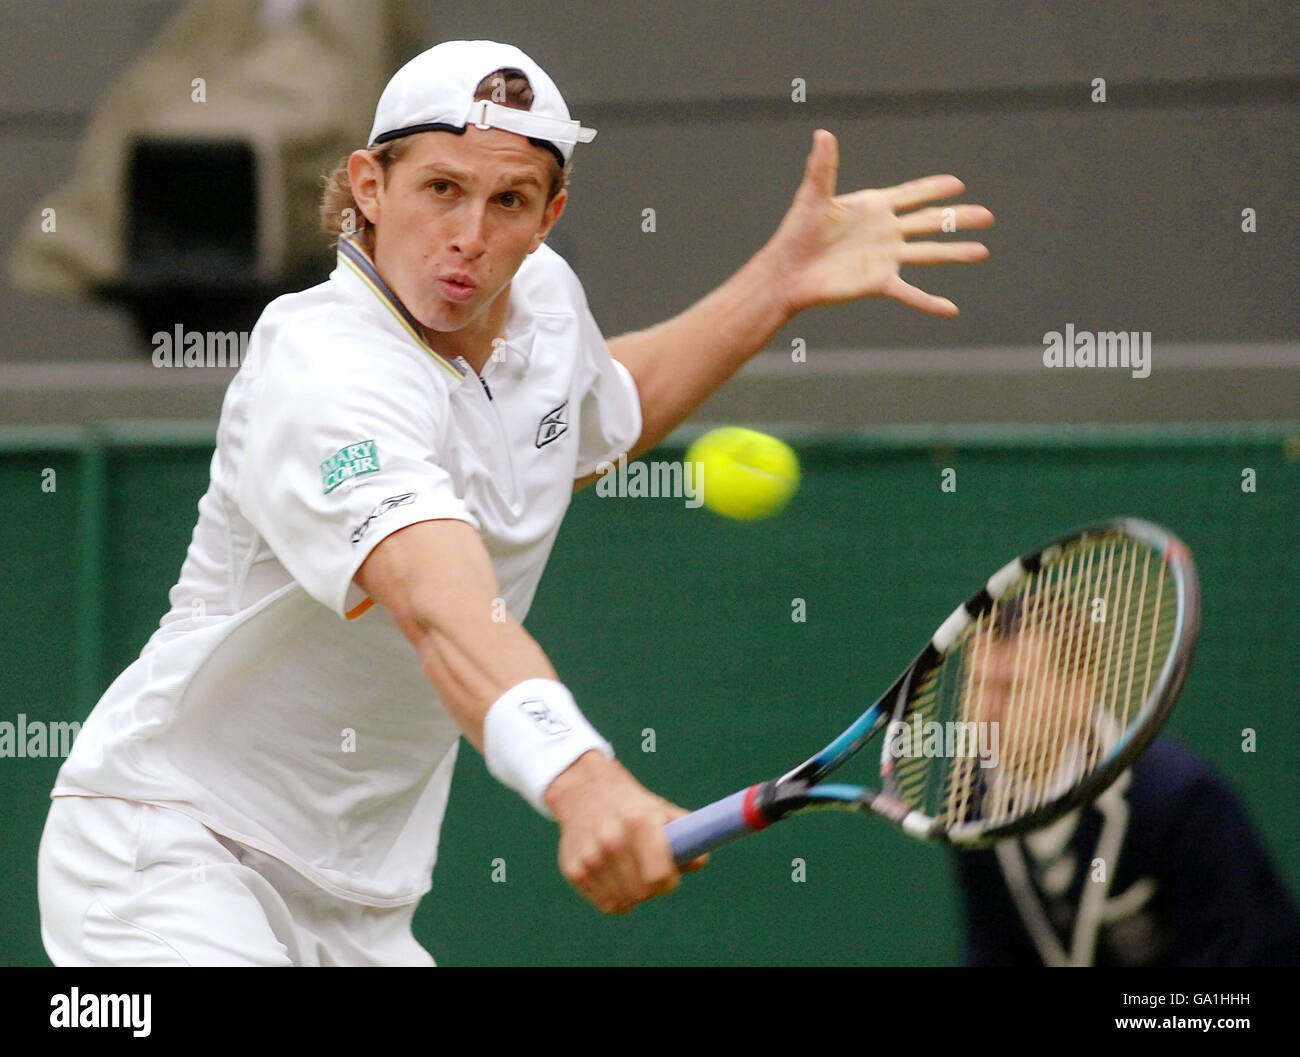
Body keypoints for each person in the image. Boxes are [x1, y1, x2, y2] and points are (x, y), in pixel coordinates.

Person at [37, 39, 993, 966]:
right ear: (371, 187)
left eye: (510, 202)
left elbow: (601, 417)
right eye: (441, 189)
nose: (470, 235)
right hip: (170, 855)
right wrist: (584, 782)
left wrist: (776, 285)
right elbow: (438, 605)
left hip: (364, 901)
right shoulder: (326, 370)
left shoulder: (539, 301)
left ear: (551, 211)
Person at [949, 592, 1300, 966]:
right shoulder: (970, 800)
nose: (985, 712)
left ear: (1078, 693)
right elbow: (992, 951)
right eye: (976, 684)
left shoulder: (1181, 799)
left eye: (1012, 688)